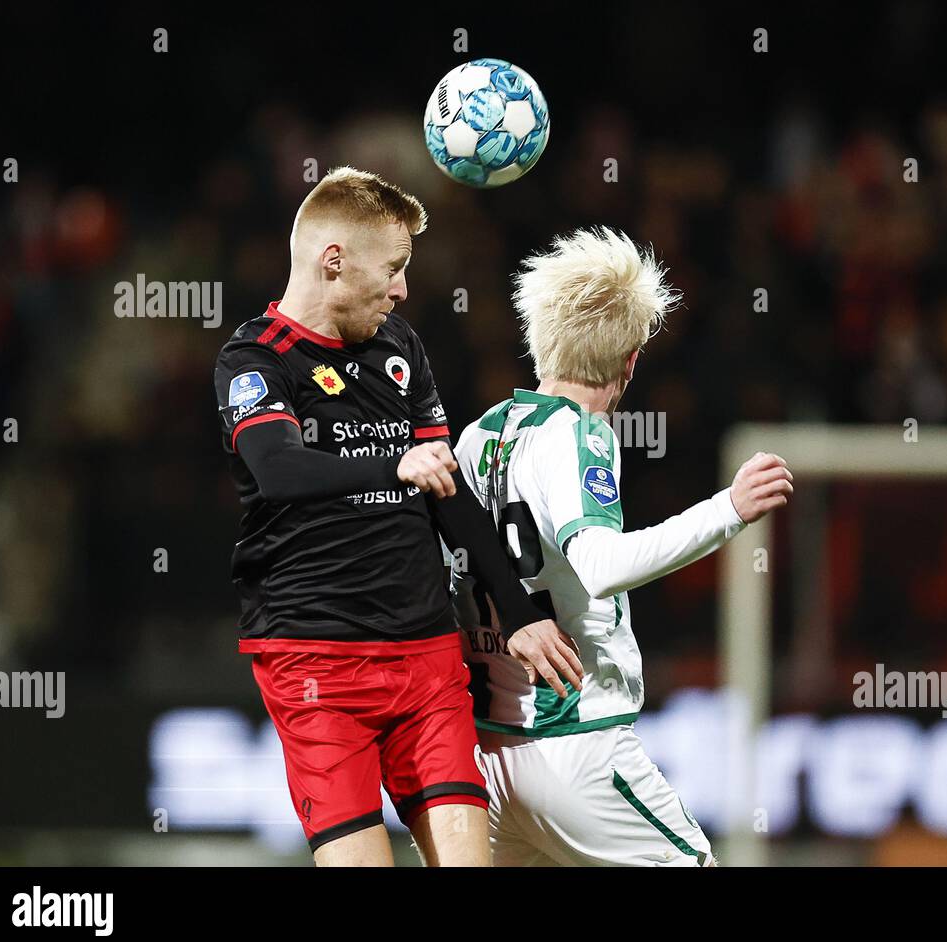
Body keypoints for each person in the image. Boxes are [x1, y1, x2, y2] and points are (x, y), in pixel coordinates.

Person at [213, 167, 579, 866]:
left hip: (426, 656)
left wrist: (519, 608)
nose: (402, 289)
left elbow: (450, 494)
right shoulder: (255, 359)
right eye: (394, 268)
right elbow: (279, 470)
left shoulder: (399, 349)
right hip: (314, 661)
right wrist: (393, 466)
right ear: (334, 261)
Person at [449, 227, 793, 865]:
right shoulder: (579, 437)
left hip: (489, 755)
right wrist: (729, 509)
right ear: (632, 357)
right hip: (577, 743)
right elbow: (601, 566)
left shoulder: (477, 435)